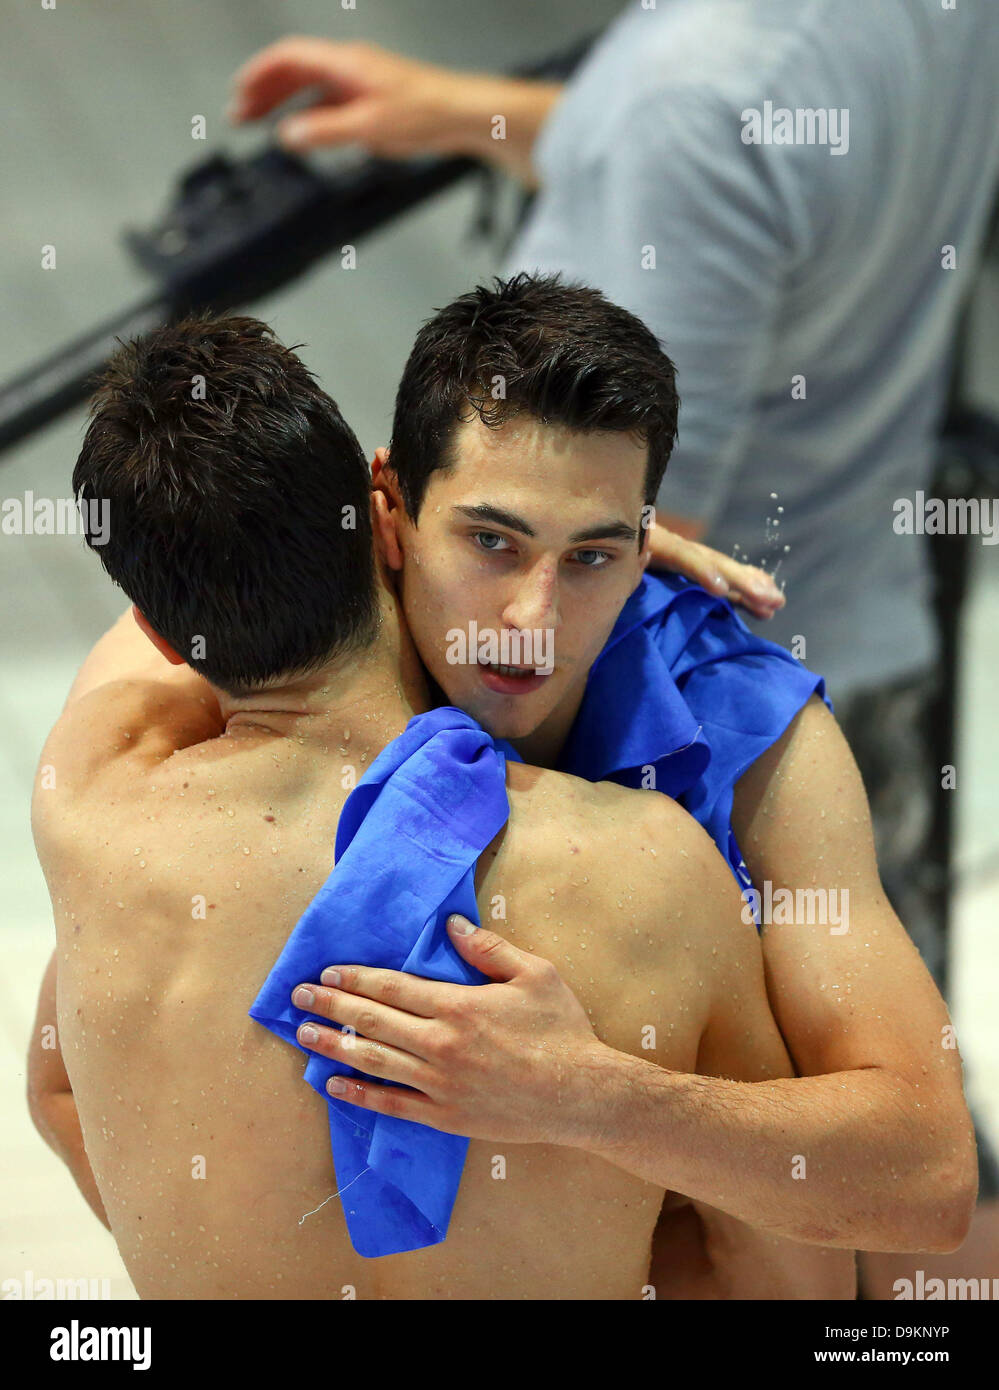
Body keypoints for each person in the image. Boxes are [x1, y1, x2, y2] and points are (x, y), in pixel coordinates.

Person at [227, 4, 999, 1294]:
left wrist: (582, 1096)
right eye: (490, 539)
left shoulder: (762, 746)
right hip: (869, 614)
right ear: (389, 514)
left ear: (653, 547)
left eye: (596, 553)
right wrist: (483, 114)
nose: (533, 617)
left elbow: (918, 1176)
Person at [28, 312, 855, 1298]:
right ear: (386, 521)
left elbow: (56, 1096)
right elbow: (792, 1259)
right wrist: (602, 547)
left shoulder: (87, 801)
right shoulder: (655, 875)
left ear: (165, 636)